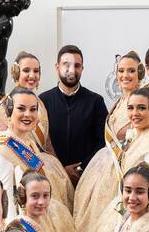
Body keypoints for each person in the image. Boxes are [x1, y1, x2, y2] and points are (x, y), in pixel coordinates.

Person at [77, 87, 149, 232]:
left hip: (139, 213)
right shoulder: (135, 136)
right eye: (131, 108)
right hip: (125, 206)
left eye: (141, 108)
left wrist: (125, 218)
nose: (135, 113)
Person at [72, 52, 146, 231]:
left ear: (140, 74)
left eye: (131, 71)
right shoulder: (119, 102)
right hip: (105, 164)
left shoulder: (141, 101)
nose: (125, 75)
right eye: (121, 70)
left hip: (125, 166)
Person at [0, 87, 75, 210]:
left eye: (33, 109)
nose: (28, 114)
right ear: (9, 111)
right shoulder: (2, 151)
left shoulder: (29, 144)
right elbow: (5, 202)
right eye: (21, 109)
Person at [40, 44, 109, 184]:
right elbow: (38, 143)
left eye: (77, 66)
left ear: (82, 69)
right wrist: (61, 169)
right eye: (66, 64)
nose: (71, 70)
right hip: (52, 178)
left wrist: (81, 168)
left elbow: (103, 141)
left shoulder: (96, 101)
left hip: (88, 177)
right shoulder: (42, 101)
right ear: (57, 67)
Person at [0, 51, 50, 145]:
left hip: (41, 158)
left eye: (36, 71)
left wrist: (54, 159)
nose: (32, 75)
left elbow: (47, 143)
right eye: (26, 70)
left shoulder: (40, 103)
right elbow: (4, 148)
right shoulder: (4, 107)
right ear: (16, 73)